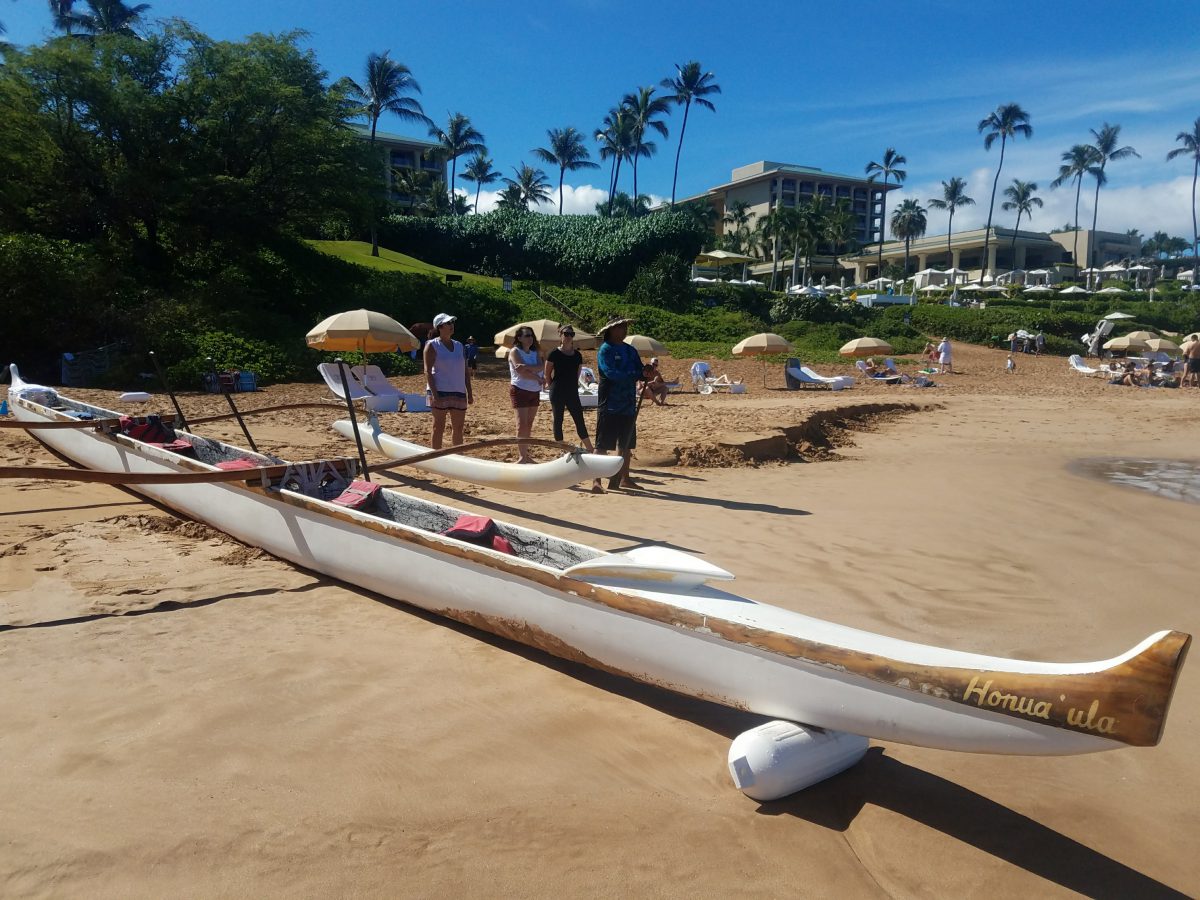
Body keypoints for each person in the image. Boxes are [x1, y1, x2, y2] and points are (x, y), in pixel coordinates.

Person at [543, 325, 601, 492]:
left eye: (571, 334)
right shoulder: (554, 353)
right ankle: (561, 449)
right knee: (558, 419)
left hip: (571, 390)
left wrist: (571, 386)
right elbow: (547, 373)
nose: (568, 336)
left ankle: (590, 449)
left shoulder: (577, 355)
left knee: (578, 418)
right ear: (560, 335)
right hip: (557, 389)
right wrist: (552, 386)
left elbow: (578, 373)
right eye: (566, 334)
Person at [595, 316, 643, 491]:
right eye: (619, 327)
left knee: (626, 444)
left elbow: (640, 371)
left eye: (624, 327)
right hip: (609, 404)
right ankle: (597, 480)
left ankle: (624, 478)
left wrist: (646, 372)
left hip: (628, 404)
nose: (623, 330)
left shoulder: (630, 350)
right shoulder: (605, 350)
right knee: (602, 446)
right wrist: (633, 374)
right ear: (611, 330)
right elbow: (610, 373)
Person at [423, 313, 472, 449]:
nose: (451, 326)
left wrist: (470, 392)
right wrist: (434, 394)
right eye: (448, 323)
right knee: (438, 426)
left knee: (458, 427)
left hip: (458, 390)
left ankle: (458, 458)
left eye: (452, 323)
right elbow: (427, 371)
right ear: (439, 327)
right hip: (439, 390)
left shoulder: (459, 345)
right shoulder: (432, 345)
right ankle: (435, 458)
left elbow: (465, 371)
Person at [508, 326, 544, 463]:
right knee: (521, 424)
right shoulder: (514, 351)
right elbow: (520, 372)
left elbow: (541, 366)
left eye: (531, 335)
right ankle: (522, 456)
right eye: (527, 336)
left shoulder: (535, 352)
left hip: (534, 390)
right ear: (519, 338)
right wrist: (538, 378)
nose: (530, 338)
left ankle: (526, 454)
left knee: (529, 424)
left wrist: (527, 367)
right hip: (520, 389)